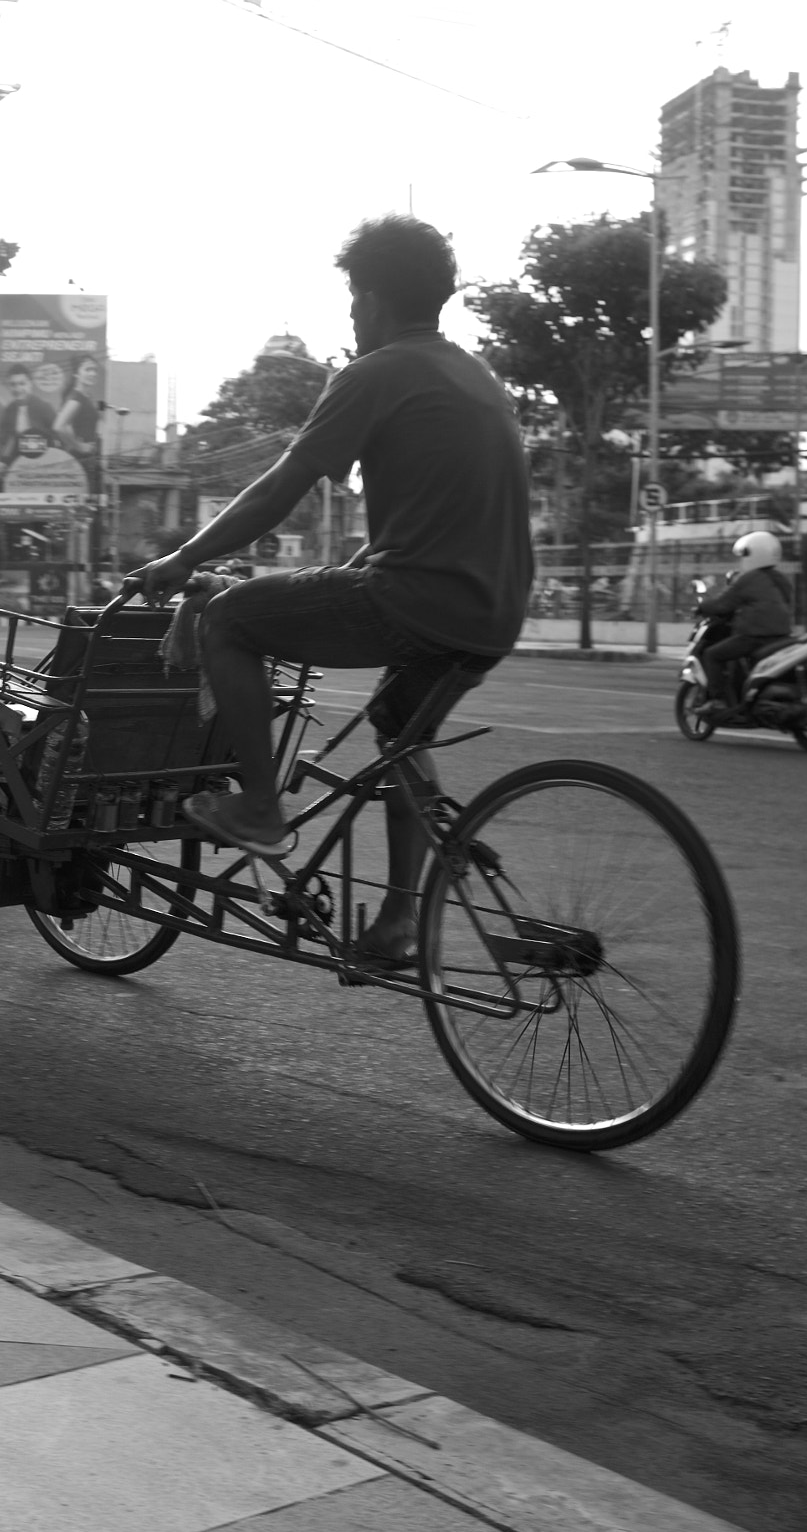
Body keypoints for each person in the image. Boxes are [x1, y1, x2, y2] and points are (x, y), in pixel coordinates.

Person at [135, 214, 533, 969]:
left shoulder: (376, 371)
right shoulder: (476, 376)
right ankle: (395, 925)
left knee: (226, 620)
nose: (351, 315)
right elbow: (432, 516)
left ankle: (258, 808)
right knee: (398, 737)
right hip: (495, 608)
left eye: (353, 297)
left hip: (416, 599)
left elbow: (281, 487)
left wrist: (183, 557)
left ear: (375, 298)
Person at [697, 530, 793, 711]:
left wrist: (702, 607)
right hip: (782, 636)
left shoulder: (749, 579)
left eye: (744, 556)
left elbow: (723, 604)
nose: (741, 561)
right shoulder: (781, 579)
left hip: (754, 636)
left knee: (712, 654)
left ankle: (717, 700)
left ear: (754, 555)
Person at [0, 368, 57, 466]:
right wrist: (2, 460)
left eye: (22, 384)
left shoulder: (44, 407)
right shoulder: (9, 410)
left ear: (31, 384)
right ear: (9, 387)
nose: (17, 389)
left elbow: (56, 438)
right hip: (17, 463)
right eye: (13, 385)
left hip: (43, 461)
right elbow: (5, 440)